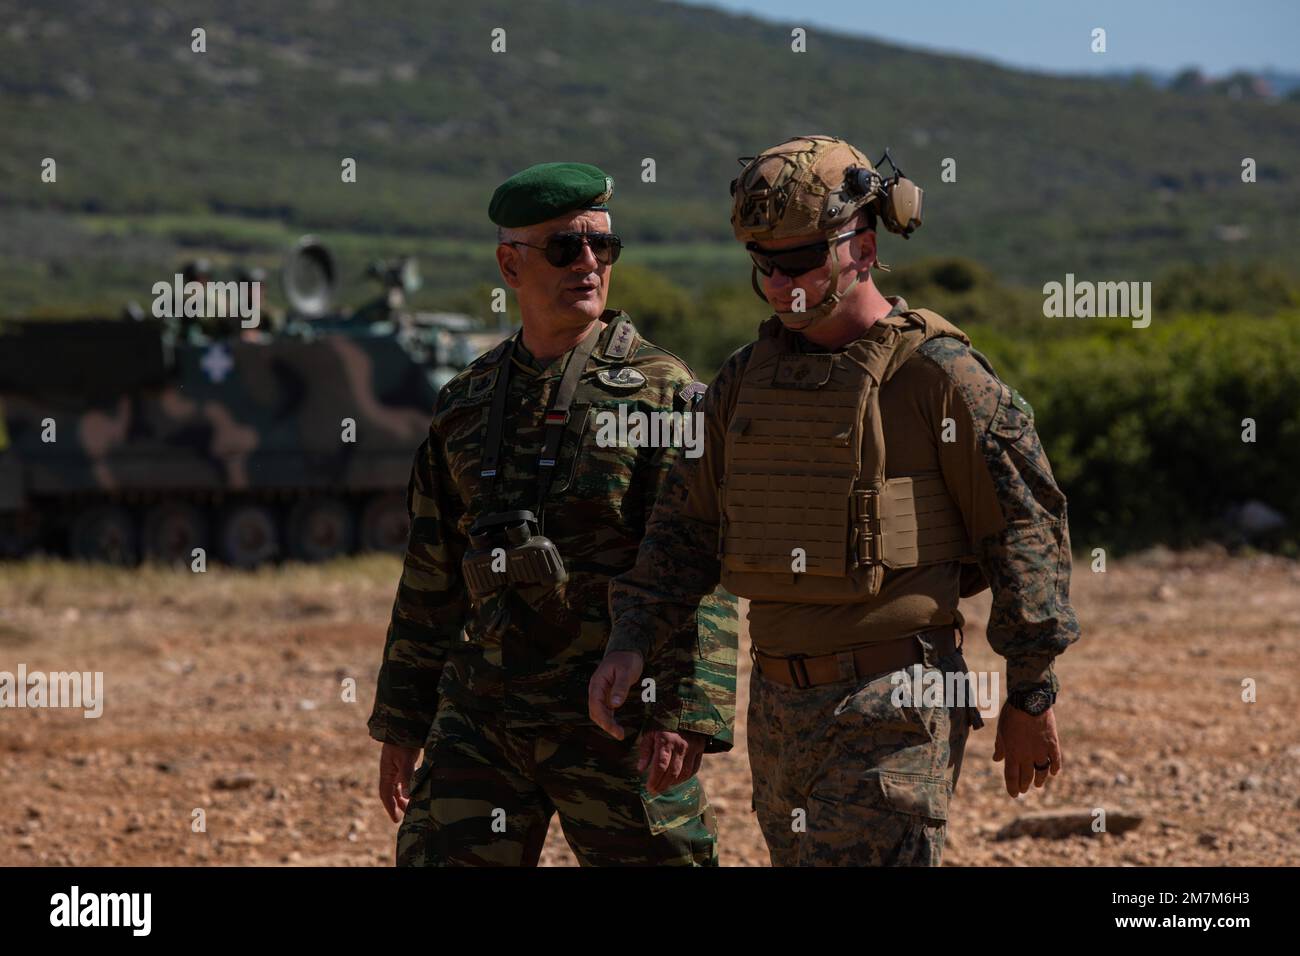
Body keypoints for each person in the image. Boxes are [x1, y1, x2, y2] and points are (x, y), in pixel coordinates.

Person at [590, 135, 1080, 866]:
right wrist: (631, 641)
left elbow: (1026, 528)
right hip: (780, 706)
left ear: (866, 247)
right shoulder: (743, 381)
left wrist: (1031, 692)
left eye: (803, 258)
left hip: (894, 701)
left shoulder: (937, 376)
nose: (784, 281)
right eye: (766, 263)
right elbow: (684, 530)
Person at [368, 161, 737, 866]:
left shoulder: (665, 397)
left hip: (615, 710)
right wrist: (404, 719)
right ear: (511, 264)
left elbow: (699, 564)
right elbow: (430, 573)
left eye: (605, 246)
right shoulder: (467, 402)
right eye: (566, 248)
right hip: (484, 711)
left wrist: (683, 711)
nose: (590, 263)